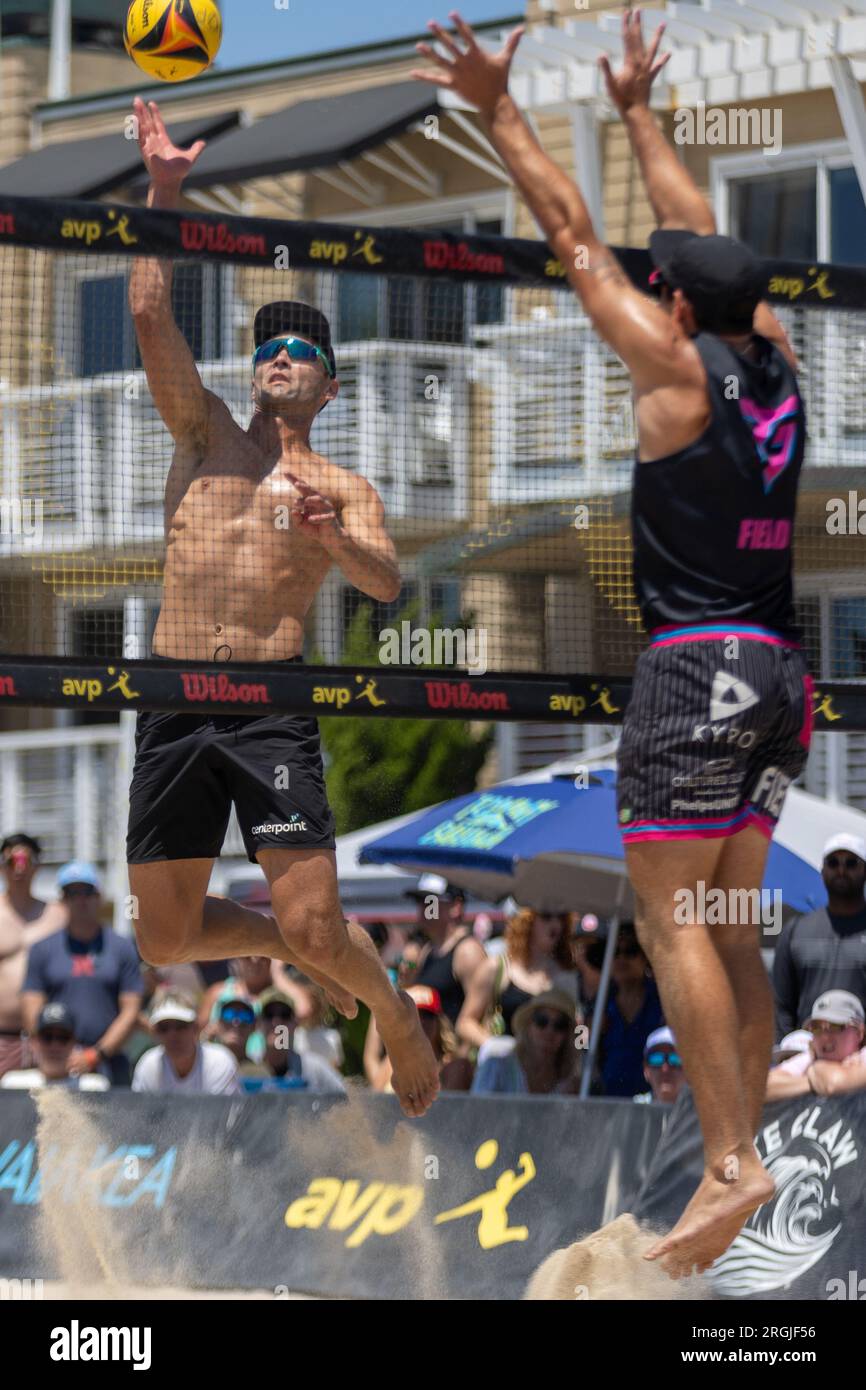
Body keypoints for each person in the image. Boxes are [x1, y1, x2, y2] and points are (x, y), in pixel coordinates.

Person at [412, 10, 810, 1273]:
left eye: (664, 280)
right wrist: (638, 111)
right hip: (780, 681)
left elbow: (576, 237)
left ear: (675, 301)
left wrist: (498, 106)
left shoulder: (669, 363)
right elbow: (691, 239)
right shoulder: (774, 355)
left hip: (693, 669)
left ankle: (732, 1159)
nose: (649, 282)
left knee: (674, 922)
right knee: (728, 922)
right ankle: (738, 1152)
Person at [123, 97, 438, 1119]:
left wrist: (329, 537)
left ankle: (386, 1008)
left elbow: (388, 582)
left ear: (330, 386)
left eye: (298, 351)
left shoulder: (341, 484)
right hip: (174, 696)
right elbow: (143, 315)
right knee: (164, 941)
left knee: (317, 928)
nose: (277, 358)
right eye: (266, 347)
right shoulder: (204, 432)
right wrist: (166, 189)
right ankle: (268, 937)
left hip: (267, 704)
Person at [21, 862, 143, 1086]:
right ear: (62, 900)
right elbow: (32, 1009)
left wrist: (96, 1054)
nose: (80, 900)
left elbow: (131, 1009)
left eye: (86, 892)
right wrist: (53, 1051)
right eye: (71, 893)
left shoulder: (122, 947)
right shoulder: (42, 949)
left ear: (99, 897)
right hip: (57, 1060)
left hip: (108, 1060)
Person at [773, 834, 866, 1035]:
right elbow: (781, 1005)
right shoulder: (795, 930)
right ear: (823, 871)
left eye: (851, 863)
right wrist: (789, 1054)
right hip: (808, 1055)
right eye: (833, 863)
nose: (841, 870)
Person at [456, 907, 577, 1048]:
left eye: (561, 917)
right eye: (546, 916)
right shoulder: (498, 967)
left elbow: (578, 1029)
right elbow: (465, 1023)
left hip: (548, 1068)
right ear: (526, 921)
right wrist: (495, 1047)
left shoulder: (571, 975)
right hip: (503, 1066)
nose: (555, 924)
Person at [0, 833, 66, 1077]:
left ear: (37, 866)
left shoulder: (58, 915)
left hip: (52, 1039)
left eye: (25, 862)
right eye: (11, 862)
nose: (19, 869)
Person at [471, 989, 580, 1095]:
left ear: (568, 1035)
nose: (549, 1031)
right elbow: (478, 1111)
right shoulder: (496, 1066)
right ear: (528, 1026)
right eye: (541, 1021)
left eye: (560, 1025)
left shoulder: (570, 1084)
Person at [598, 922, 664, 1097]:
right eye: (615, 952)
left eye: (631, 951)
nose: (621, 959)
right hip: (607, 1100)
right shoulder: (598, 1003)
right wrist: (586, 1033)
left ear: (645, 957)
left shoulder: (663, 1000)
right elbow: (579, 1047)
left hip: (652, 1099)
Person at [411, 874, 486, 1028]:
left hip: (458, 1050)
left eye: (429, 901)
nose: (422, 908)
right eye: (420, 902)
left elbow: (482, 1014)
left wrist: (462, 1051)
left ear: (455, 907)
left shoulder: (467, 951)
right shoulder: (428, 950)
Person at [366, 985, 473, 1093]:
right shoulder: (391, 1063)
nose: (421, 1022)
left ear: (439, 1022)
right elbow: (375, 1101)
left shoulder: (453, 1066)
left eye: (427, 1015)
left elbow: (445, 1106)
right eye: (414, 1016)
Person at [132, 992, 241, 1095]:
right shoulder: (148, 1065)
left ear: (195, 1028)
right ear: (155, 1032)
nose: (172, 1035)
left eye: (180, 1025)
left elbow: (224, 1114)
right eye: (164, 1027)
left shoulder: (219, 1062)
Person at [766, 991, 866, 1102]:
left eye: (835, 1026)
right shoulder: (810, 1058)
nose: (824, 1036)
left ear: (859, 1033)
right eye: (816, 1027)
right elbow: (763, 1088)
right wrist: (812, 1079)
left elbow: (833, 1083)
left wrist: (816, 1070)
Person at [247, 988, 346, 1095]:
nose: (276, 1022)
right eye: (269, 1014)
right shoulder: (245, 1067)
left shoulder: (315, 1068)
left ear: (295, 1024)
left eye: (284, 1015)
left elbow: (346, 1096)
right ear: (258, 1023)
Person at [0, 1002, 109, 1092]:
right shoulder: (12, 1084)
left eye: (63, 1038)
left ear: (74, 1043)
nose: (54, 1046)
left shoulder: (93, 1087)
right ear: (35, 1043)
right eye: (47, 1037)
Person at [633, 1027, 686, 1105]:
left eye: (674, 1059)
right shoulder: (633, 1109)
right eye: (656, 1059)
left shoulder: (701, 1112)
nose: (665, 1068)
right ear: (646, 1070)